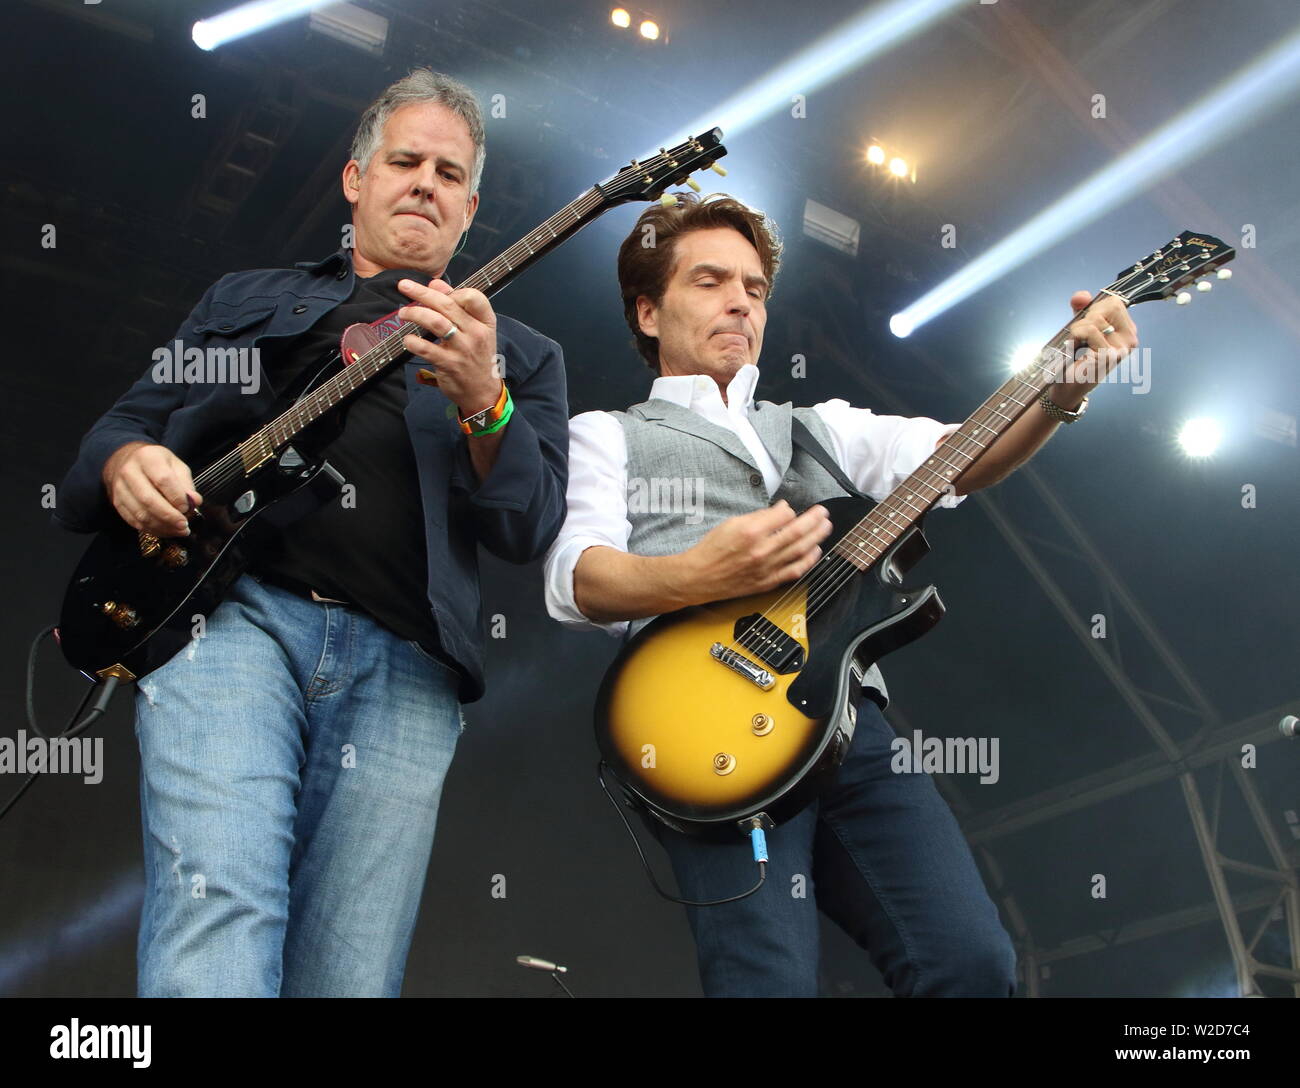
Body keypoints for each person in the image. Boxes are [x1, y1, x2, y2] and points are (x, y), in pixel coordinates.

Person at [53, 69, 570, 997]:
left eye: (450, 174)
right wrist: (128, 463)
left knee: (350, 973)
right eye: (405, 162)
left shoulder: (517, 355)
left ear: (470, 211)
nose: (425, 183)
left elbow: (528, 526)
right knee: (221, 905)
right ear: (355, 180)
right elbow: (121, 428)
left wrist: (485, 401)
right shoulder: (245, 297)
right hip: (229, 622)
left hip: (408, 668)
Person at [542, 193, 1137, 997]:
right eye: (710, 281)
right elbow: (575, 578)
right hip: (703, 733)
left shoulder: (818, 425)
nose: (740, 303)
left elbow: (960, 458)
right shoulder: (608, 434)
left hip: (848, 724)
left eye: (754, 289)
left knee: (970, 959)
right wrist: (697, 574)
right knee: (768, 981)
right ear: (648, 312)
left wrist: (1060, 393)